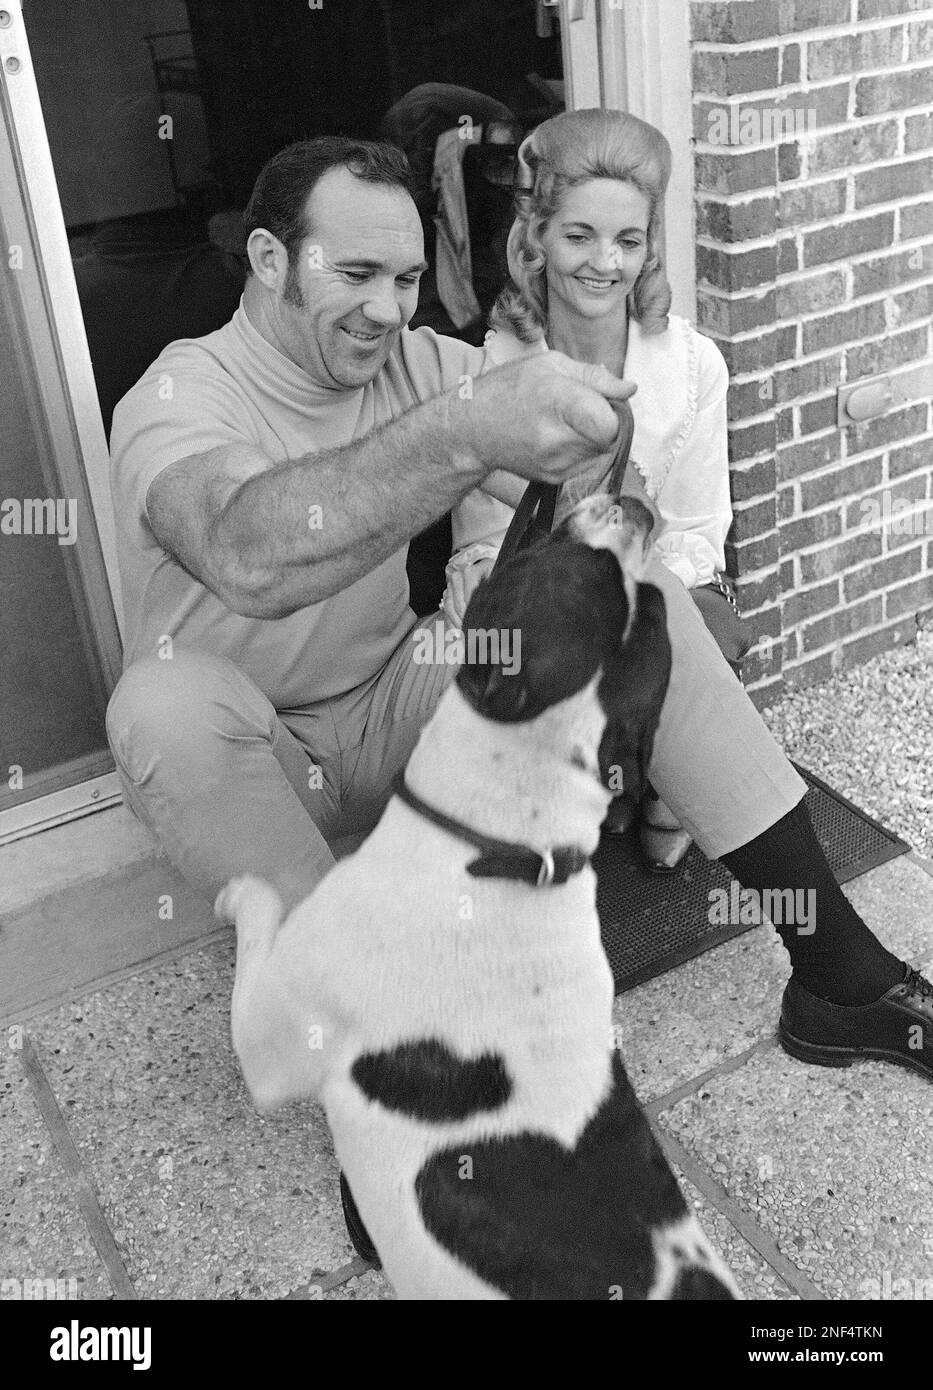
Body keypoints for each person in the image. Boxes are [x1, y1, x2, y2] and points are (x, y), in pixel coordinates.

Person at [106, 137, 933, 1093]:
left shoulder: (417, 363)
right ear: (268, 260)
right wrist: (461, 434)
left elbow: (575, 478)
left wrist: (584, 426)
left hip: (394, 707)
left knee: (630, 589)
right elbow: (247, 552)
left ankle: (839, 980)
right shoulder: (178, 395)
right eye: (359, 274)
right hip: (261, 759)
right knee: (160, 703)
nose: (387, 309)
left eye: (409, 278)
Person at [445, 108, 753, 872]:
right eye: (578, 235)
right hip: (529, 597)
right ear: (536, 239)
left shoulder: (692, 367)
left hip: (652, 589)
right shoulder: (483, 370)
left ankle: (651, 784)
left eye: (628, 240)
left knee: (699, 623)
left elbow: (698, 529)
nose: (603, 263)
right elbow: (479, 545)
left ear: (651, 247)